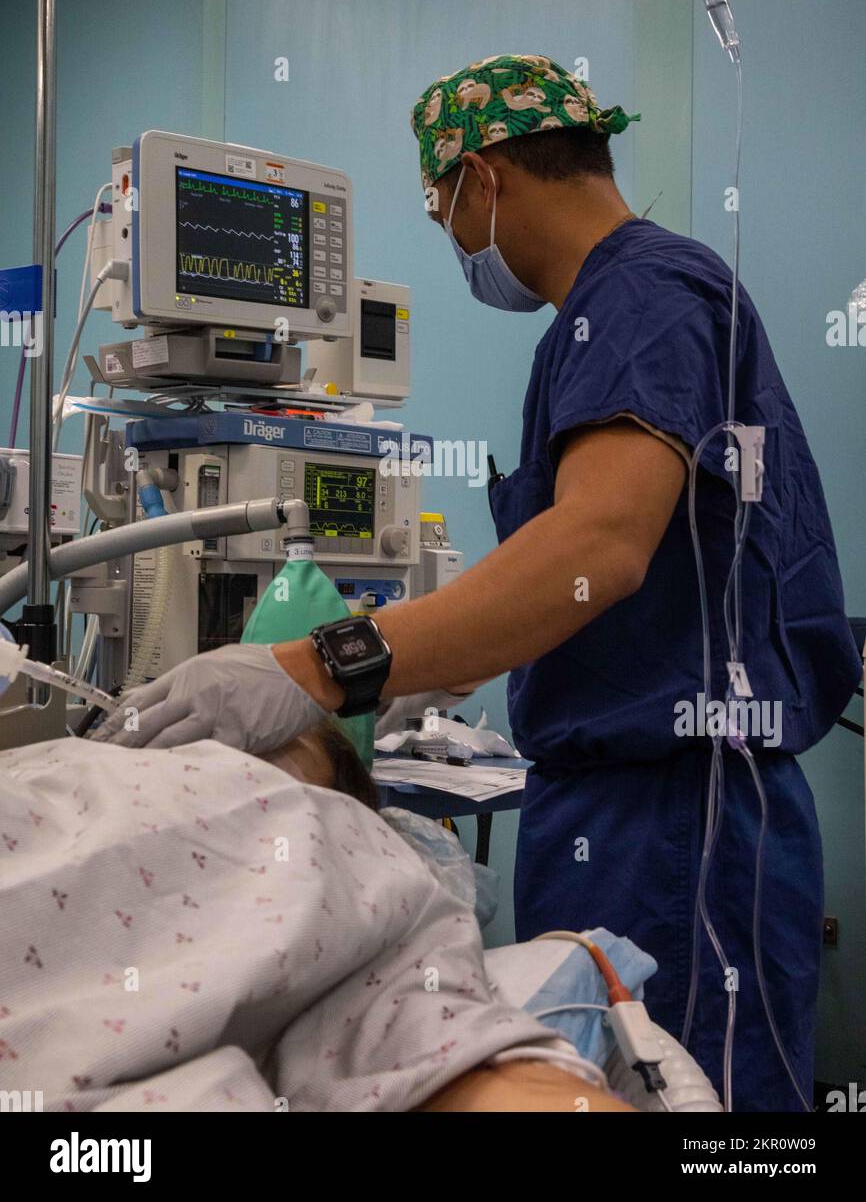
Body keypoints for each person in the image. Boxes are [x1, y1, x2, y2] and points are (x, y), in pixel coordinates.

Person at [95, 54, 861, 1112]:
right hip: (633, 811)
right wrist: (427, 667)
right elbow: (597, 580)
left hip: (675, 828)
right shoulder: (611, 315)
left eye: (435, 203)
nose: (449, 234)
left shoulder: (640, 292)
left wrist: (324, 665)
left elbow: (598, 547)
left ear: (481, 179)